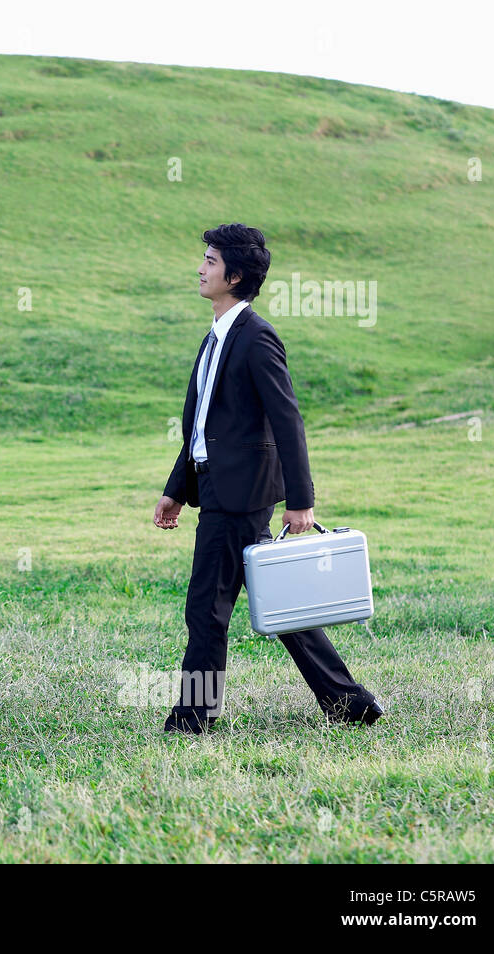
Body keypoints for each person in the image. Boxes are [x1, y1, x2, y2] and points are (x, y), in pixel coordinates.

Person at [152, 223, 383, 733]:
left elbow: (287, 420)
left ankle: (194, 718)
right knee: (278, 600)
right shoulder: (214, 338)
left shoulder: (256, 337)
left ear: (233, 276)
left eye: (210, 261)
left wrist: (301, 500)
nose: (200, 268)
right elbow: (201, 425)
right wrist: (176, 489)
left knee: (206, 609)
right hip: (215, 488)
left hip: (242, 494)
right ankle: (351, 704)